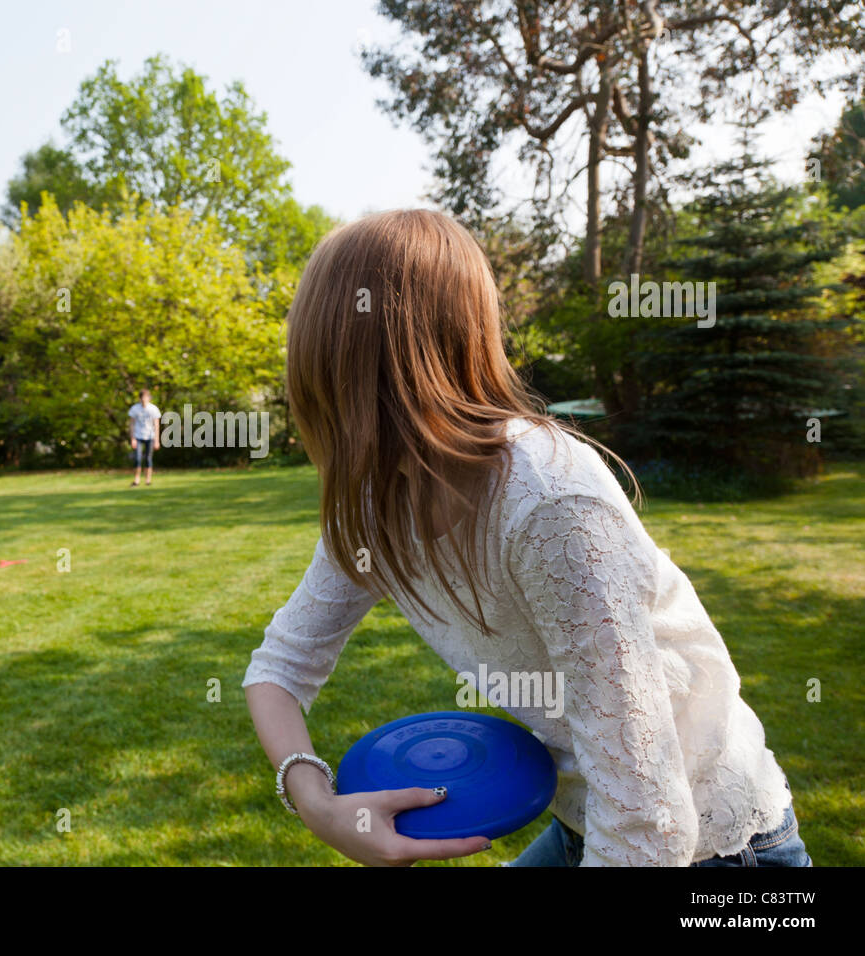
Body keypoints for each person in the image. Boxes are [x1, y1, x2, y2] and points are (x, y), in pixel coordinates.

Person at [242, 209, 808, 868]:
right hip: (589, 818)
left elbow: (647, 822)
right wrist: (319, 805)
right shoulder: (378, 503)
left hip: (710, 844)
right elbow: (280, 666)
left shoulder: (549, 505)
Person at [127, 388, 161, 487]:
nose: (144, 399)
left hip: (150, 437)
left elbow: (156, 425)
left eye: (146, 397)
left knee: (148, 458)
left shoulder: (153, 409)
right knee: (137, 458)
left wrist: (157, 440)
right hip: (138, 436)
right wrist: (132, 438)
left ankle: (148, 480)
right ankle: (136, 480)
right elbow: (132, 424)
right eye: (142, 397)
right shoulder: (135, 409)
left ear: (149, 398)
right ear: (140, 398)